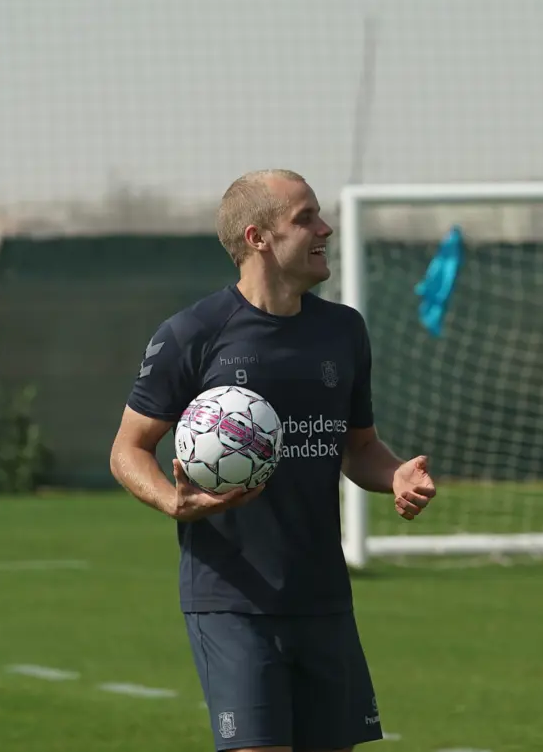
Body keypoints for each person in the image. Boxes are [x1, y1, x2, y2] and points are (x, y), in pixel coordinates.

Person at [109, 169, 437, 751]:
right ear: (258, 238)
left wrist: (395, 475)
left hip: (323, 598)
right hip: (232, 599)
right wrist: (171, 500)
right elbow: (128, 448)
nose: (326, 228)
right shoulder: (194, 334)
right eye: (306, 218)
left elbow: (358, 447)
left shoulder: (343, 330)